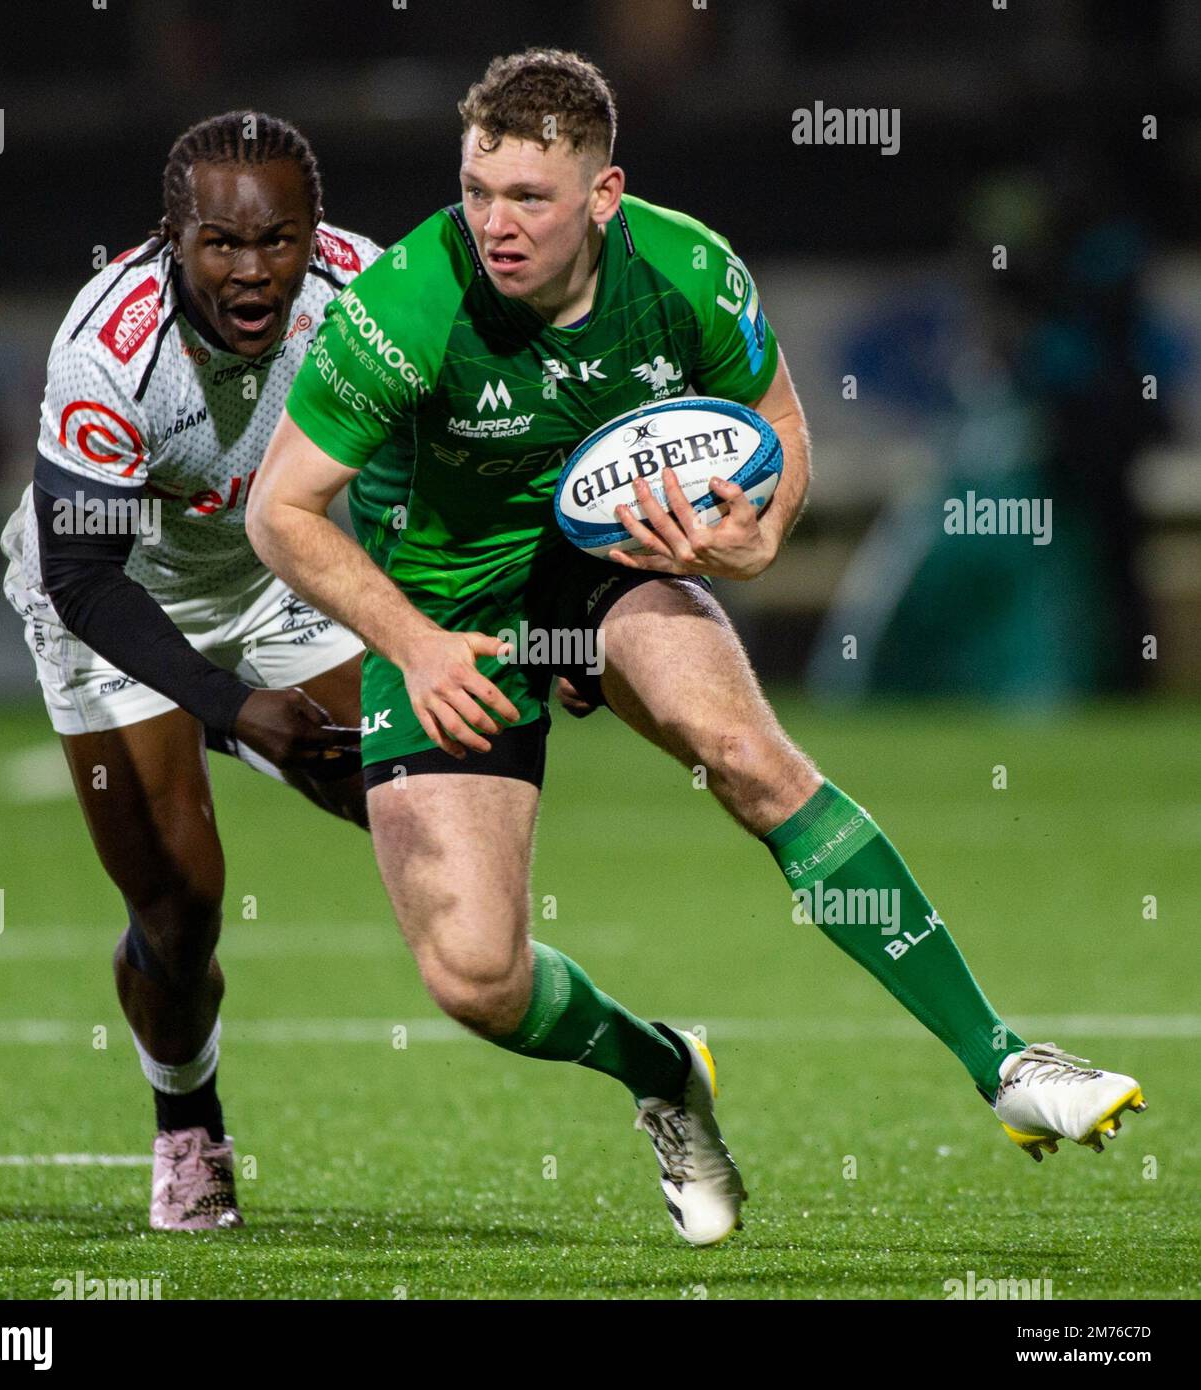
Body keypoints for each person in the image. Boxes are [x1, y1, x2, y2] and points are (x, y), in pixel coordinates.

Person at [247, 52, 1147, 1247]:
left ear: (603, 195)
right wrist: (410, 645)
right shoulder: (408, 304)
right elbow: (278, 511)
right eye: (478, 190)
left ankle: (1005, 1061)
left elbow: (775, 420)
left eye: (531, 198)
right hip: (445, 607)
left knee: (748, 752)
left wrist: (755, 535)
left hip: (605, 565)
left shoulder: (687, 270)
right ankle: (663, 1069)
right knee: (473, 977)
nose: (496, 225)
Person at [1, 111, 387, 1231]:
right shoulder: (106, 350)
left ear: (315, 235)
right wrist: (229, 710)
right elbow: (80, 572)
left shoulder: (366, 299)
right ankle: (187, 1126)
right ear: (171, 238)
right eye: (222, 243)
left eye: (279, 241)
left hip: (274, 578)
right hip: (113, 604)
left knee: (434, 795)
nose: (254, 268)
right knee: (180, 908)